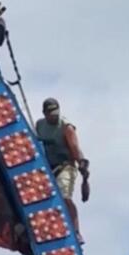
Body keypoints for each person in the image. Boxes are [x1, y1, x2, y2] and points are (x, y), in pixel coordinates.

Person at [35, 98, 89, 243]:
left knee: (64, 196)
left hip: (66, 166)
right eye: (50, 113)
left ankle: (76, 232)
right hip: (48, 167)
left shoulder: (66, 126)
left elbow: (75, 147)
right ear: (45, 113)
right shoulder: (40, 125)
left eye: (56, 112)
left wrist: (82, 163)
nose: (54, 115)